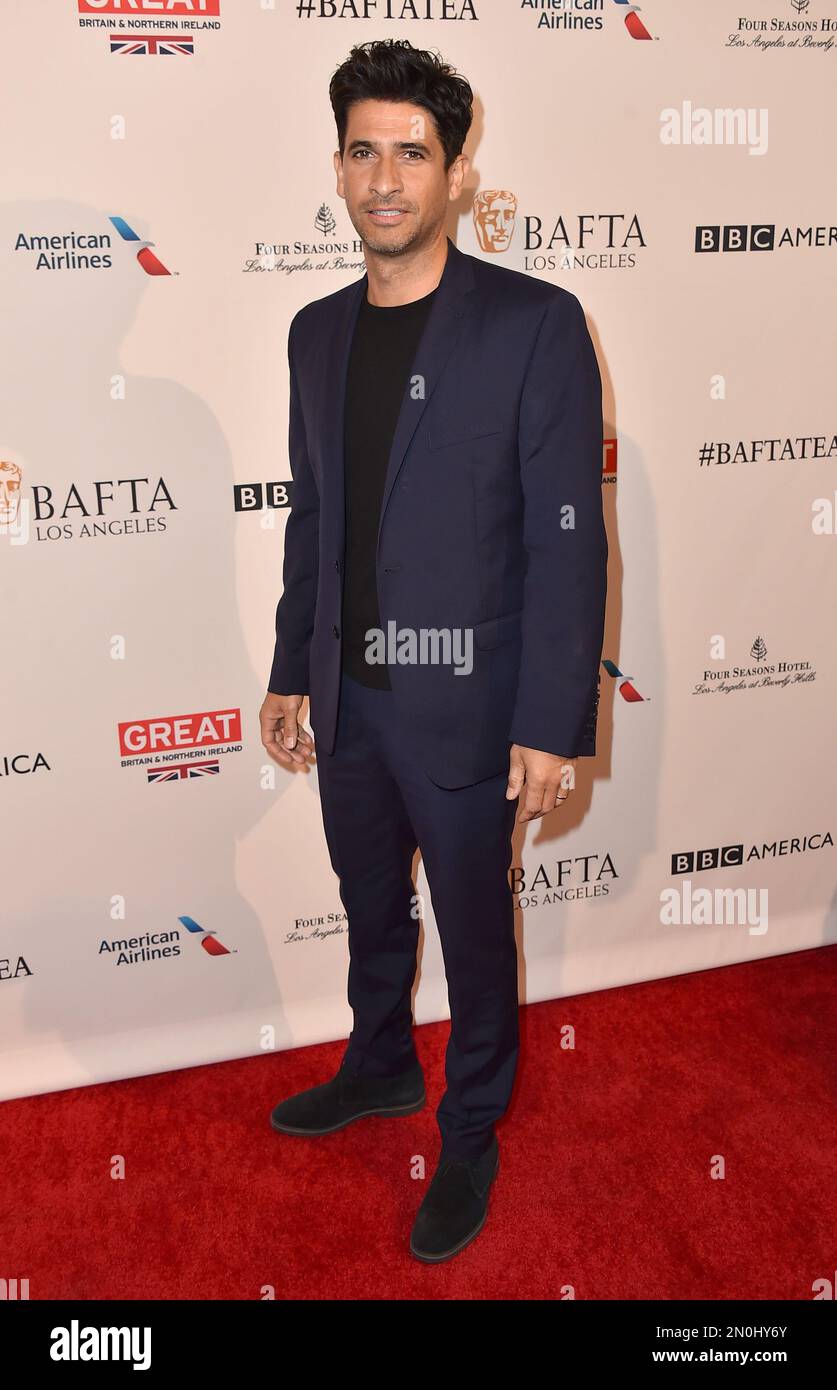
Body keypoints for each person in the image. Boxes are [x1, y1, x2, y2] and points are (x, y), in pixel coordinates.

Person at [259, 38, 607, 1264]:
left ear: (457, 172)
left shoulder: (537, 325)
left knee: (472, 930)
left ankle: (468, 1132)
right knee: (369, 909)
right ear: (340, 168)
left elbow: (570, 537)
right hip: (350, 698)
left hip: (472, 711)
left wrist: (553, 719)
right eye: (365, 150)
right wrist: (293, 665)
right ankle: (377, 1067)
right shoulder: (313, 334)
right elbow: (316, 511)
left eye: (414, 151)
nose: (386, 178)